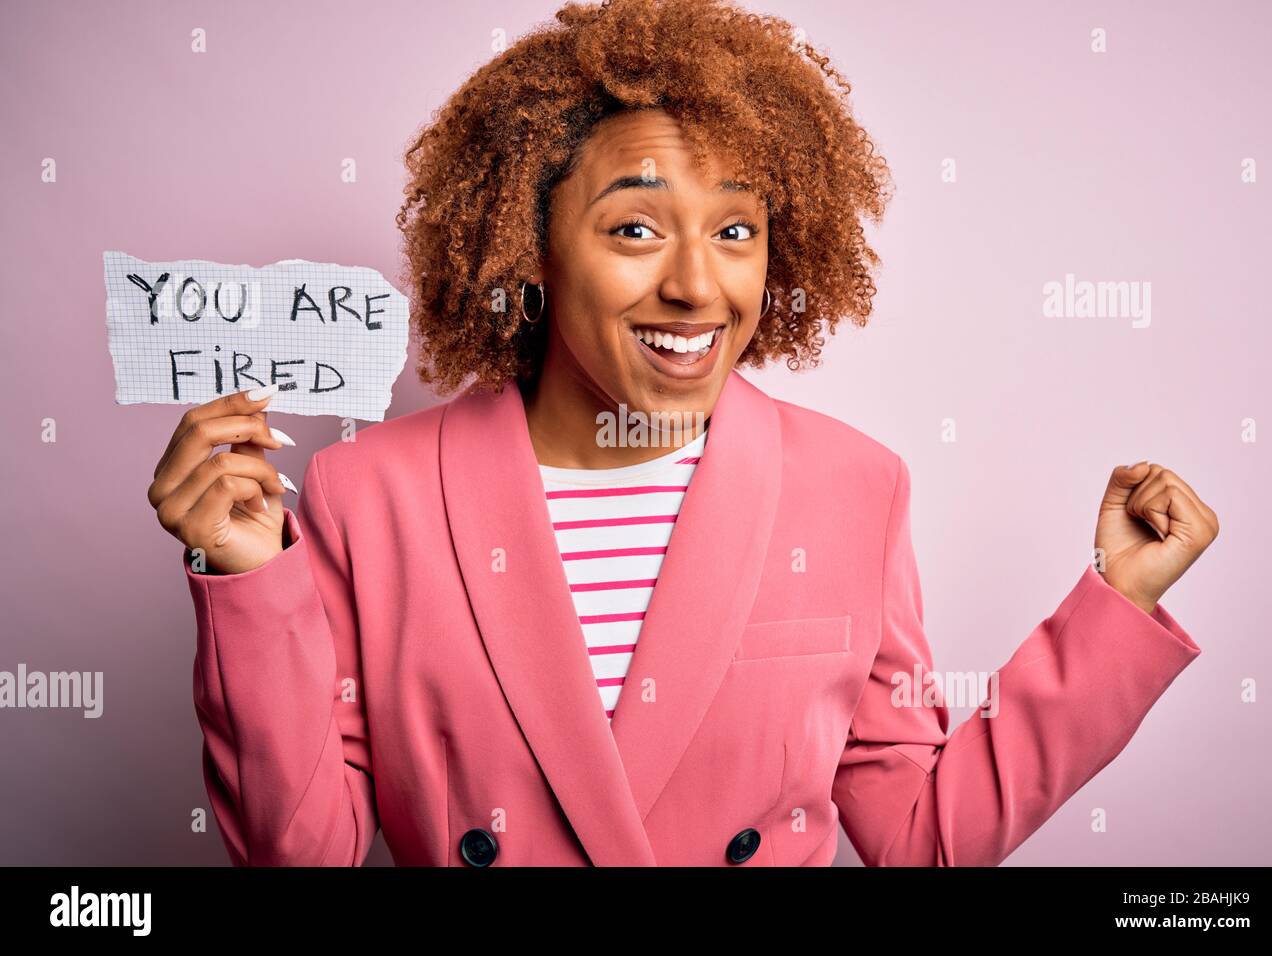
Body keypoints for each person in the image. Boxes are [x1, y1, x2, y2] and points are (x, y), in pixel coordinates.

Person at [147, 0, 1217, 867]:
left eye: (737, 230)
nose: (697, 286)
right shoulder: (361, 493)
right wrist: (244, 583)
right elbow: (301, 853)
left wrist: (1113, 603)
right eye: (634, 228)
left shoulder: (853, 485)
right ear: (529, 249)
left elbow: (923, 834)